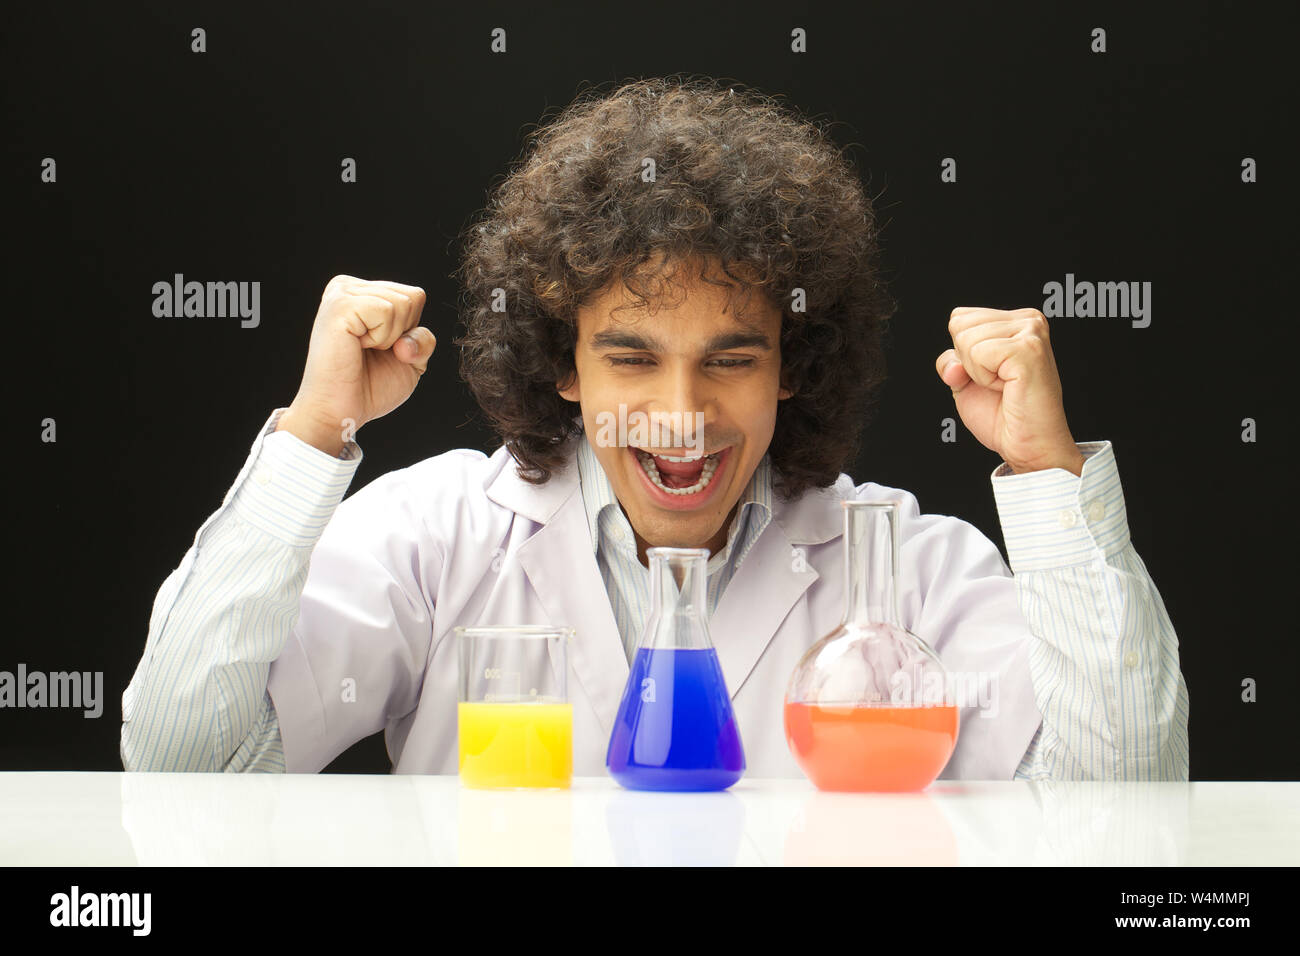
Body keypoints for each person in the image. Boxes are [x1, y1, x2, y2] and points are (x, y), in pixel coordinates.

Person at [120, 77, 1189, 780]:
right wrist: (315, 432)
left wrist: (1045, 471)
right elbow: (184, 763)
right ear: (563, 365)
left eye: (732, 357)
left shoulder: (906, 567)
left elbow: (1126, 804)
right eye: (630, 354)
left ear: (792, 368)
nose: (680, 414)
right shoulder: (438, 534)